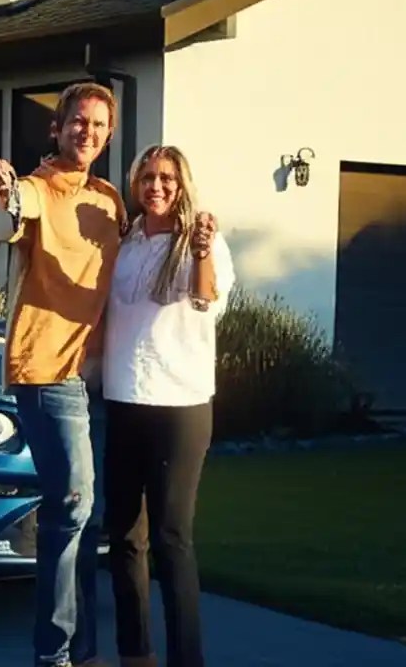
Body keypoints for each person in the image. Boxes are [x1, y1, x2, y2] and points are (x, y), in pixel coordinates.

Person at [0, 82, 128, 667]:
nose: (86, 132)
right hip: (48, 369)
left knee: (84, 515)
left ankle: (82, 650)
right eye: (77, 122)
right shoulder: (40, 187)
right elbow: (8, 218)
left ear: (108, 135)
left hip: (99, 374)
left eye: (97, 125)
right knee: (72, 503)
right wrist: (3, 191)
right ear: (57, 128)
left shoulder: (111, 201)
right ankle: (56, 654)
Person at [101, 145, 235, 667]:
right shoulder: (126, 241)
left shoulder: (201, 242)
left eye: (166, 179)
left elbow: (205, 298)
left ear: (182, 186)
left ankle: (187, 659)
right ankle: (135, 654)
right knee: (125, 538)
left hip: (179, 407)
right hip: (124, 399)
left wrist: (201, 249)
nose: (155, 186)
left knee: (171, 538)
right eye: (147, 177)